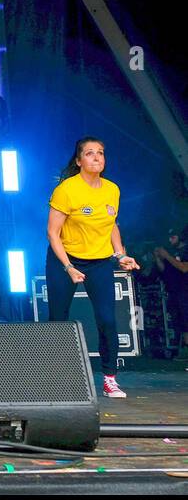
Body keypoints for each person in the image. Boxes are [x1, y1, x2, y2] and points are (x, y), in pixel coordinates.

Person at [46, 137, 140, 398]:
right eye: (89, 153)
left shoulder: (112, 189)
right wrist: (68, 267)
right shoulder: (66, 189)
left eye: (100, 152)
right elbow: (53, 233)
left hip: (98, 261)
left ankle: (110, 379)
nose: (97, 157)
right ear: (79, 161)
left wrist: (120, 255)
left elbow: (111, 225)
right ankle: (56, 378)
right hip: (65, 258)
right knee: (58, 318)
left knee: (107, 319)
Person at [152, 226, 188, 356]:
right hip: (174, 291)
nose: (170, 240)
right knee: (179, 322)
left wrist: (166, 256)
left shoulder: (186, 251)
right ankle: (182, 348)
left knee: (186, 321)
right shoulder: (172, 251)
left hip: (185, 291)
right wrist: (158, 257)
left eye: (173, 237)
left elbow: (184, 268)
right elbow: (164, 270)